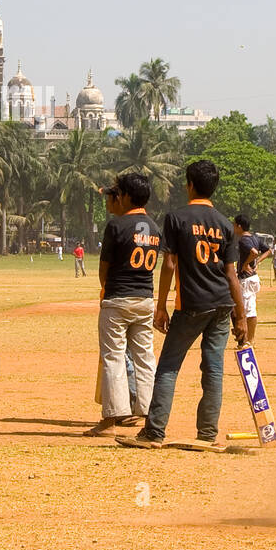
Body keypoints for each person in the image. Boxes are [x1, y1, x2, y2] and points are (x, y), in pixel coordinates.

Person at [120, 160, 247, 449]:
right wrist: (239, 316)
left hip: (191, 304)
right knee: (213, 369)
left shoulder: (177, 218)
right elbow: (232, 274)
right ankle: (206, 434)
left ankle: (154, 432)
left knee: (168, 366)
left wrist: (161, 305)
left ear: (190, 185)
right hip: (222, 306)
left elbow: (169, 264)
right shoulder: (226, 224)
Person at [90, 173, 161, 438]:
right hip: (144, 299)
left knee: (113, 357)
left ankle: (112, 417)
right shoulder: (154, 227)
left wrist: (106, 290)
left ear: (128, 196)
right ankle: (150, 416)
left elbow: (104, 269)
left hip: (118, 298)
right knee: (145, 358)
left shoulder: (116, 226)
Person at [232, 215, 262, 344]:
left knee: (248, 310)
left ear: (239, 226)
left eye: (234, 224)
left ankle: (249, 340)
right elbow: (267, 251)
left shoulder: (243, 239)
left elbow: (254, 252)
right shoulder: (254, 237)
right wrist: (256, 263)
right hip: (251, 278)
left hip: (247, 279)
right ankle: (245, 338)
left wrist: (246, 264)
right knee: (243, 307)